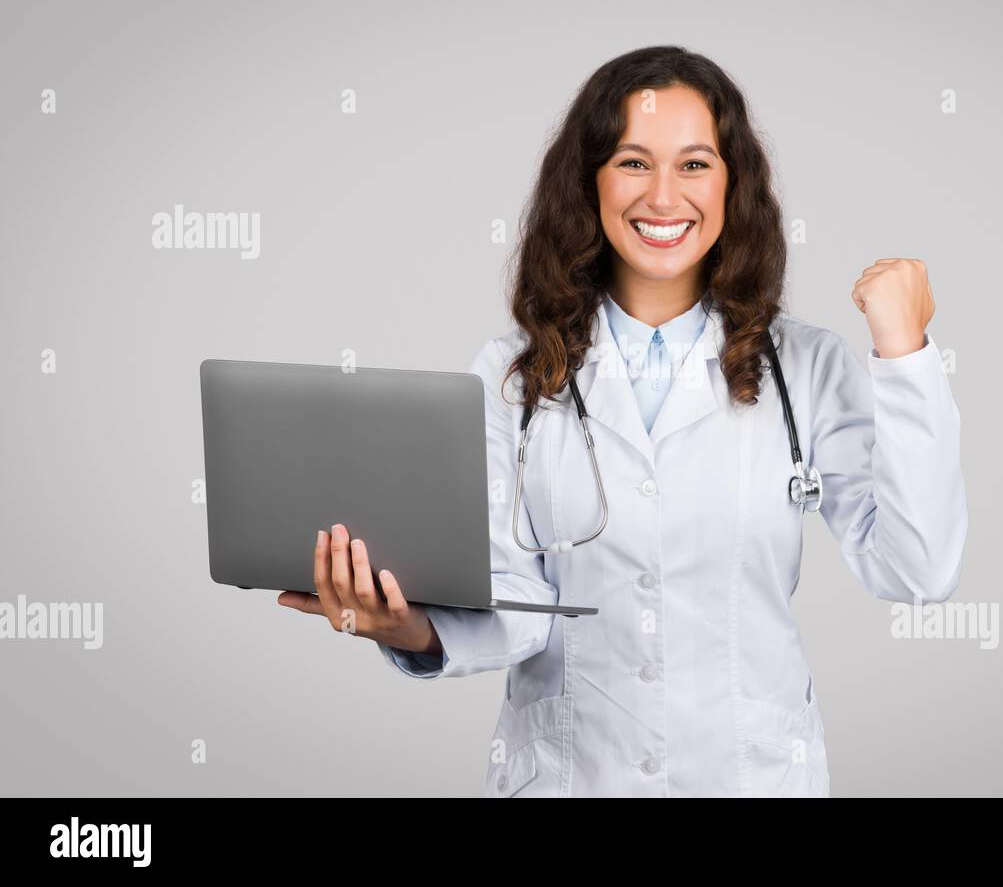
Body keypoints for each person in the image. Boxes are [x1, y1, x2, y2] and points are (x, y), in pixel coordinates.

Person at [278, 45, 968, 797]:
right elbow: (521, 606)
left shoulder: (807, 368)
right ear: (590, 182)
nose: (664, 197)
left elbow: (917, 569)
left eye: (695, 164)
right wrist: (407, 629)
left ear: (733, 184)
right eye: (633, 162)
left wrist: (904, 356)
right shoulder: (511, 373)